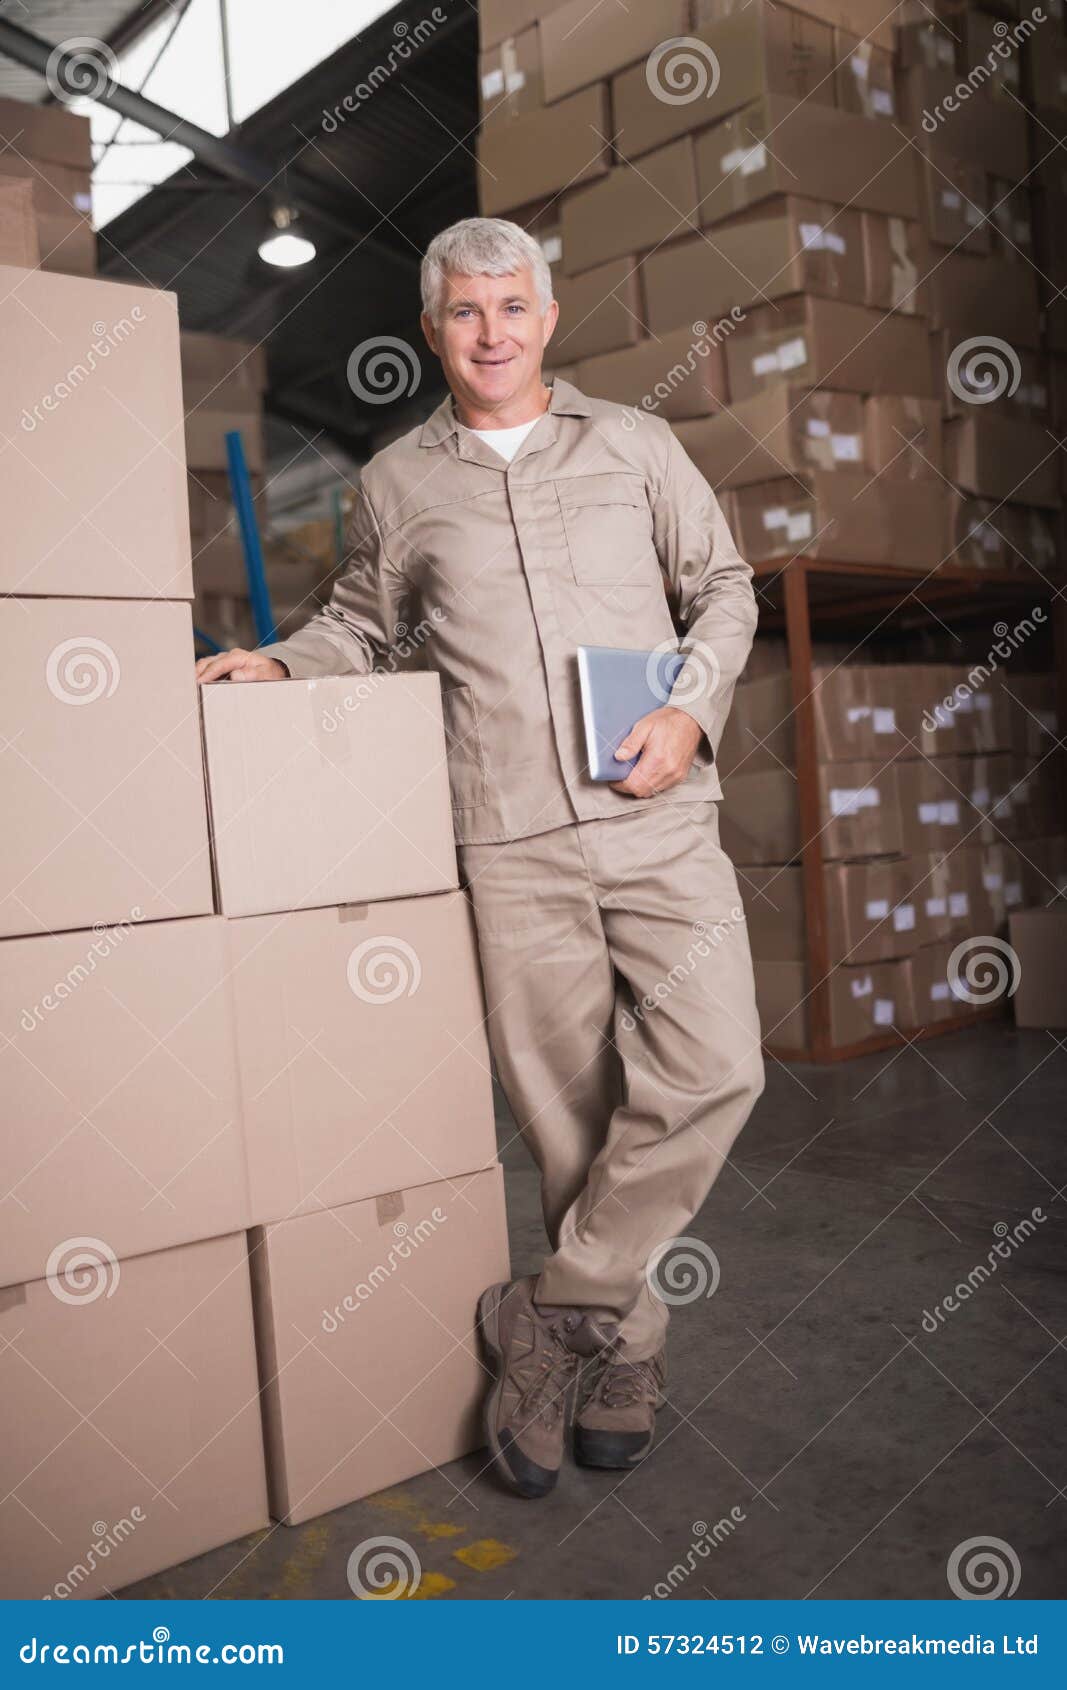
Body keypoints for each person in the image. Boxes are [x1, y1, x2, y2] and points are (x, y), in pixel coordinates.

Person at [195, 217, 765, 1500]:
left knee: (717, 1063)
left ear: (548, 318)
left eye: (513, 308)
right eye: (465, 312)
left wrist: (687, 706)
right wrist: (281, 659)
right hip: (504, 834)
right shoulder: (397, 481)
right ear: (435, 327)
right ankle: (624, 1357)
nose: (492, 332)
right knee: (566, 1126)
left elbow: (723, 587)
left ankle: (548, 1318)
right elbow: (364, 624)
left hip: (655, 815)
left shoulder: (634, 443)